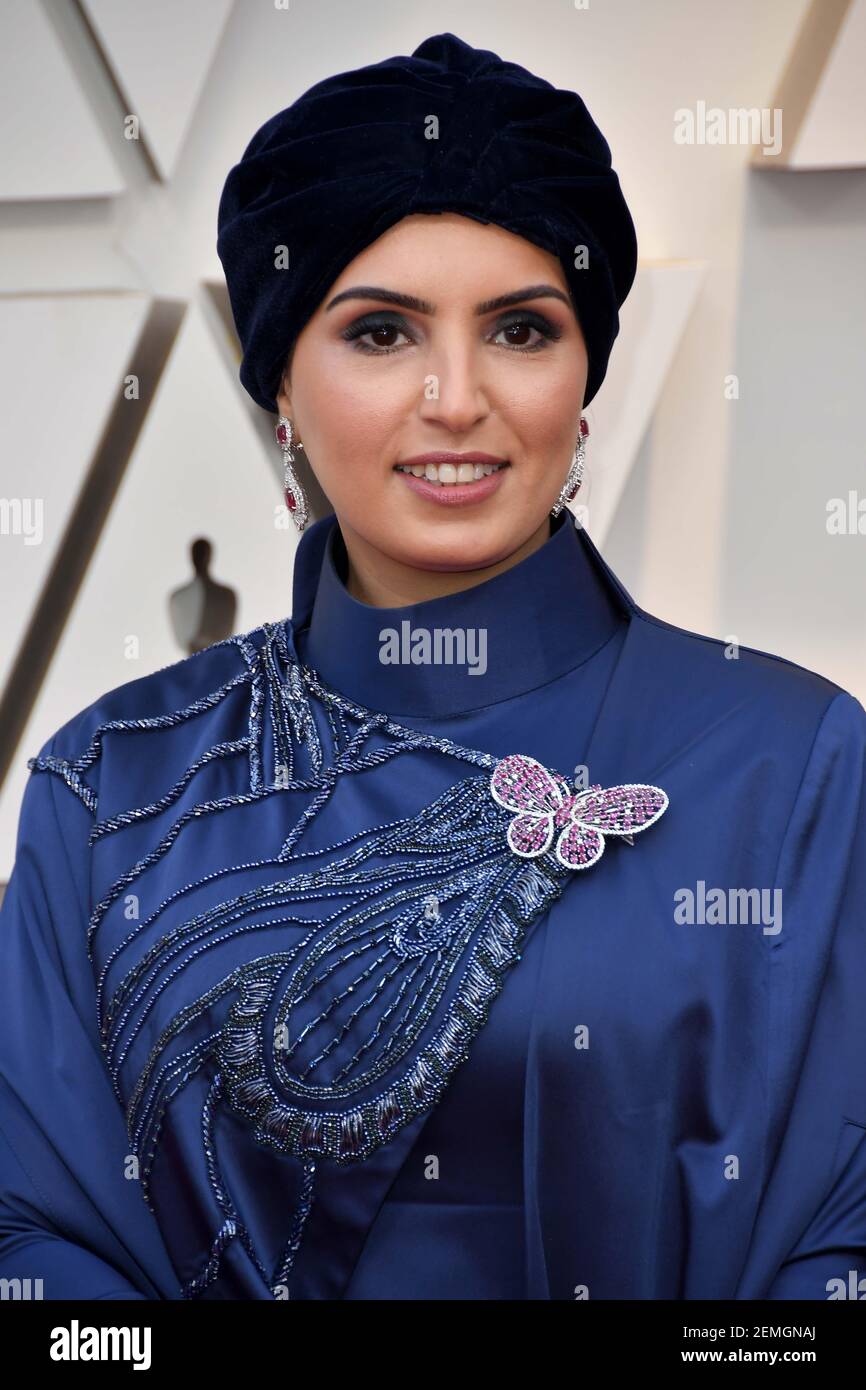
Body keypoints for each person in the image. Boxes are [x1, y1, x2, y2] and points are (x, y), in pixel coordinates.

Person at [1, 32, 864, 1302]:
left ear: (582, 378)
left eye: (518, 328)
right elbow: (35, 1236)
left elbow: (836, 1239)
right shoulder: (110, 785)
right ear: (280, 387)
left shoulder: (790, 764)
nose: (455, 398)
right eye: (380, 332)